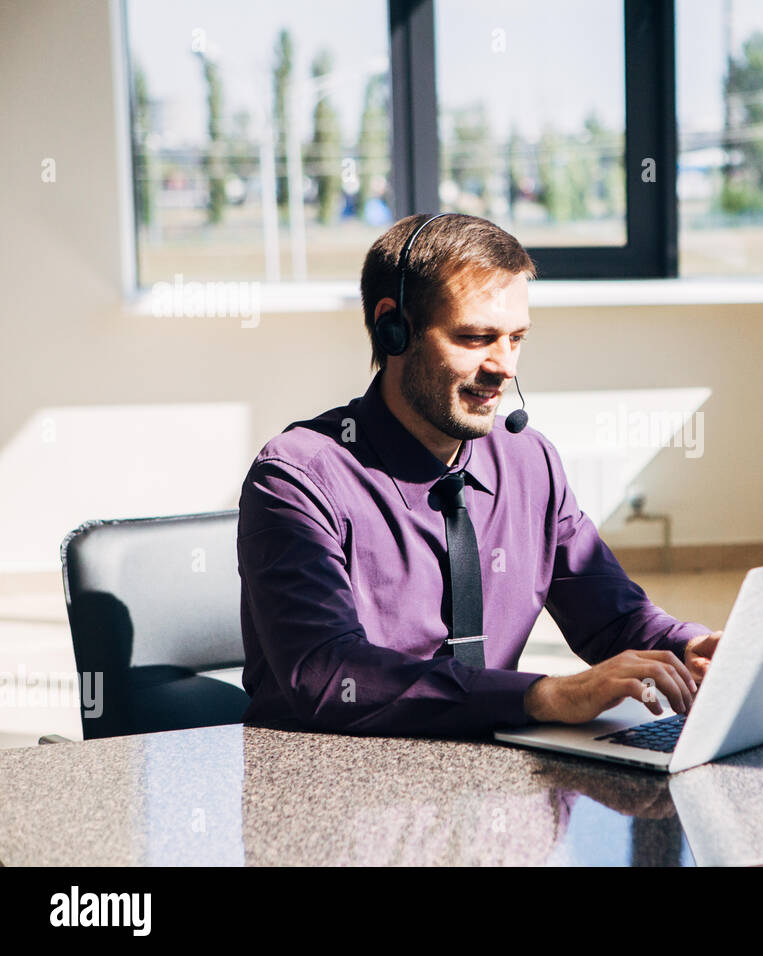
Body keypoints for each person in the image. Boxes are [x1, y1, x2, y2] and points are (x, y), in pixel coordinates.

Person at [238, 212, 721, 737]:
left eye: (516, 338)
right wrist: (544, 695)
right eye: (475, 338)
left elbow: (614, 618)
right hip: (326, 781)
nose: (505, 367)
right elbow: (328, 675)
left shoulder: (529, 461)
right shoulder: (297, 477)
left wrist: (691, 647)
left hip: (488, 776)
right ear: (392, 326)